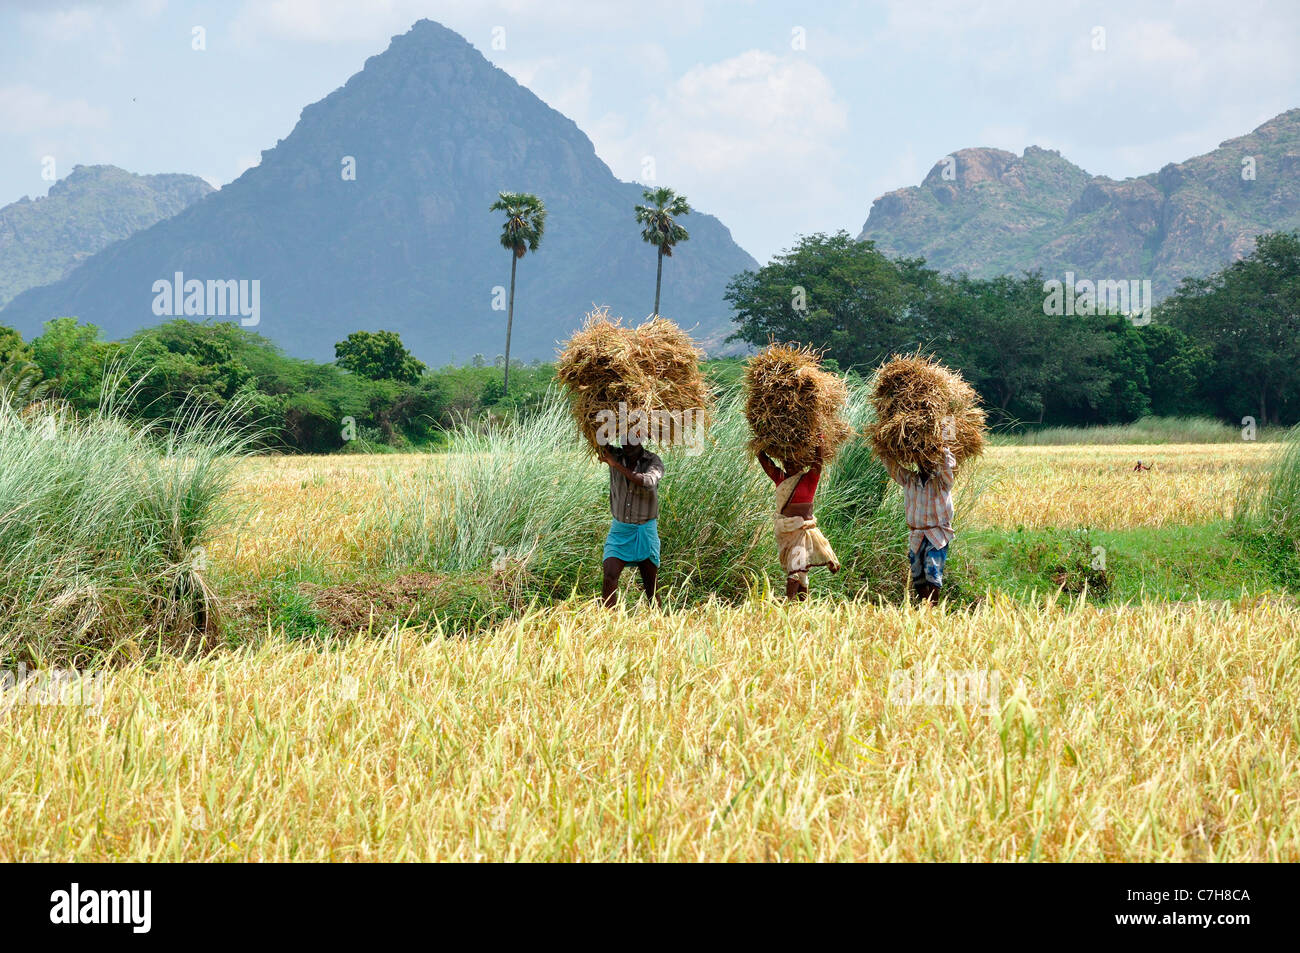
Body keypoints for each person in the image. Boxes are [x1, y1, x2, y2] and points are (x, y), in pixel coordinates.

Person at [757, 441, 840, 601]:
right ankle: (801, 604)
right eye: (787, 462)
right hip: (786, 531)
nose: (789, 465)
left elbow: (818, 461)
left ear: (801, 463)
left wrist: (820, 440)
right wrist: (759, 445)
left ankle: (791, 601)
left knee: (796, 568)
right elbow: (765, 462)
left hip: (802, 531)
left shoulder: (810, 478)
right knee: (800, 572)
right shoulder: (781, 478)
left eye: (793, 462)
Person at [880, 442, 956, 604]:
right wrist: (883, 448)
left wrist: (943, 447)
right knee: (918, 578)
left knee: (933, 574)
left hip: (937, 535)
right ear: (917, 461)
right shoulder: (910, 479)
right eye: (922, 460)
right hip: (916, 535)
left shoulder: (942, 481)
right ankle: (925, 607)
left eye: (929, 460)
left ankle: (933, 611)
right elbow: (893, 468)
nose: (926, 463)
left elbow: (948, 467)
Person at [599, 424, 664, 608]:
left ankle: (661, 622)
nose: (626, 443)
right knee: (610, 575)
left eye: (631, 438)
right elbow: (595, 439)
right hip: (620, 530)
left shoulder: (654, 462)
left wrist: (616, 465)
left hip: (645, 530)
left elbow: (646, 481)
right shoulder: (615, 454)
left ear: (642, 438)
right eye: (623, 437)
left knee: (651, 587)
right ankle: (606, 622)